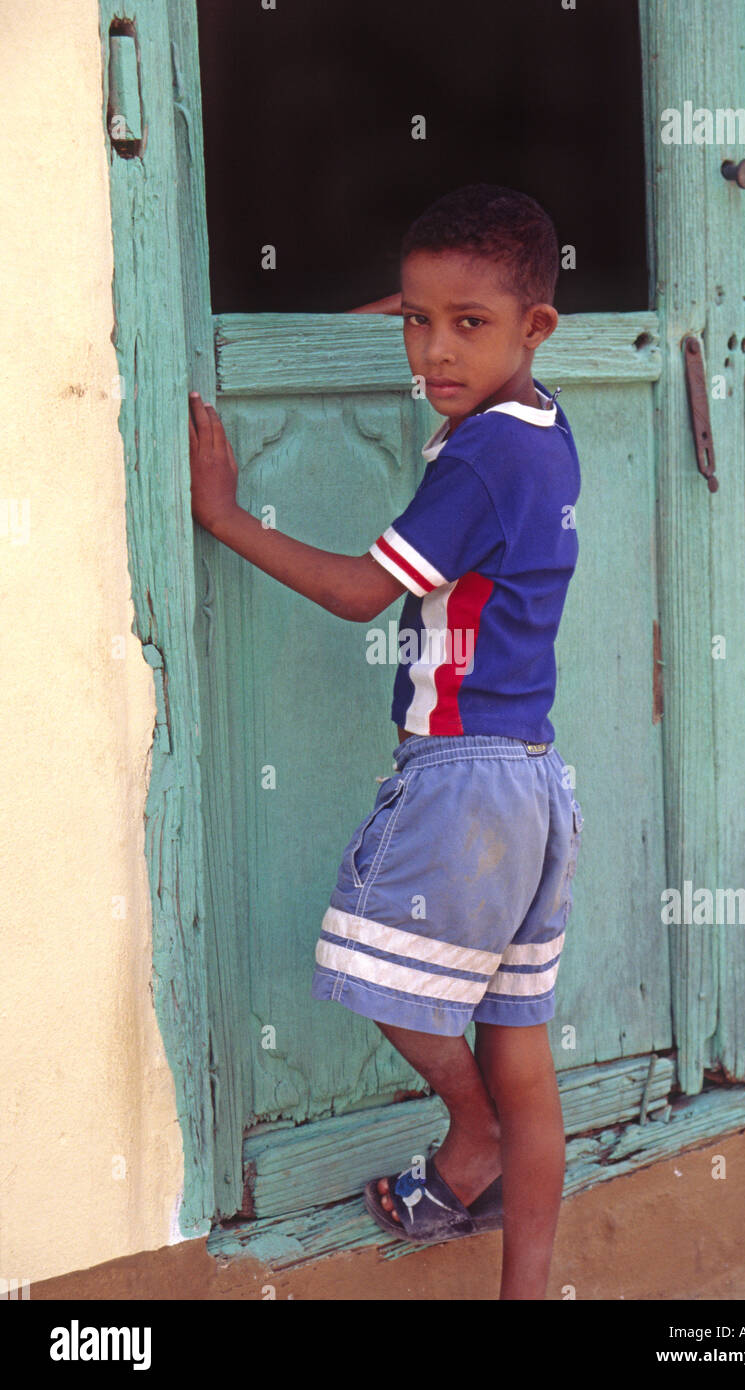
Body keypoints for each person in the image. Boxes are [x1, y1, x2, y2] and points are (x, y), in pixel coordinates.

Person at [188, 183, 583, 1301]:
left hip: (459, 776)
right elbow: (451, 332)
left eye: (466, 325)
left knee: (373, 974)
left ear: (533, 327)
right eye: (417, 319)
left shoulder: (475, 465)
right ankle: (525, 1283)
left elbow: (365, 594)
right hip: (536, 781)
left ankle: (469, 1139)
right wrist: (361, 328)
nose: (433, 349)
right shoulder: (539, 427)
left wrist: (224, 516)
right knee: (523, 1057)